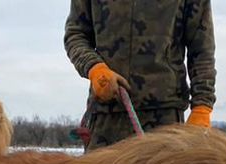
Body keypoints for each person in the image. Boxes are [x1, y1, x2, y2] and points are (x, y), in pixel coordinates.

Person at [65, 0, 216, 150]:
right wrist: (94, 68)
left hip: (164, 118)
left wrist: (202, 106)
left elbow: (202, 51)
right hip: (106, 114)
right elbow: (76, 34)